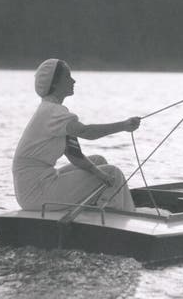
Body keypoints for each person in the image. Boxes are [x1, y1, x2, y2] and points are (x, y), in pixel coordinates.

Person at [12, 58, 140, 213]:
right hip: (36, 191)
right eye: (67, 77)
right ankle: (123, 217)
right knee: (113, 172)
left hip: (34, 186)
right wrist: (124, 125)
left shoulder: (51, 110)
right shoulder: (54, 112)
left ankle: (96, 210)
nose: (73, 80)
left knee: (98, 162)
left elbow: (75, 155)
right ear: (55, 83)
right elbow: (87, 132)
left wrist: (99, 173)